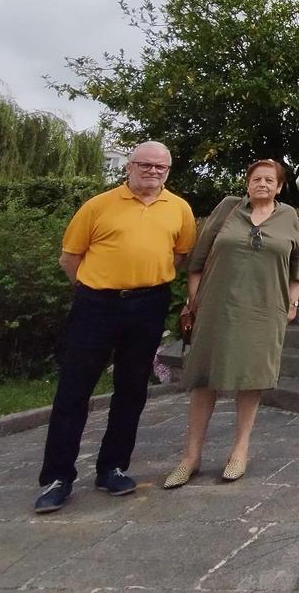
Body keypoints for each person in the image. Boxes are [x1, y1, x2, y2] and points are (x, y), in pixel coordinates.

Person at [34, 141, 196, 514]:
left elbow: (180, 254)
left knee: (132, 388)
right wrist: (97, 287)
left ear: (168, 172)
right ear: (129, 166)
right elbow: (70, 258)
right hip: (97, 304)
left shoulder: (180, 209)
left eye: (161, 168)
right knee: (74, 389)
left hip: (148, 304)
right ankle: (57, 478)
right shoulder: (98, 205)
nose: (153, 172)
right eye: (145, 165)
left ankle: (113, 467)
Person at [162, 159, 299, 488]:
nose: (263, 185)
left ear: (280, 186)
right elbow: (197, 259)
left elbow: (298, 266)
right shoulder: (229, 209)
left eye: (270, 180)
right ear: (247, 183)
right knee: (204, 377)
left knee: (251, 377)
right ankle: (191, 456)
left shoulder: (288, 217)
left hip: (265, 308)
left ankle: (239, 451)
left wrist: (292, 303)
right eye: (257, 179)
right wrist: (193, 301)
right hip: (217, 305)